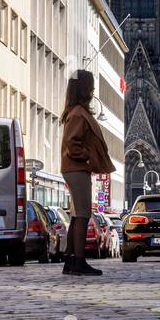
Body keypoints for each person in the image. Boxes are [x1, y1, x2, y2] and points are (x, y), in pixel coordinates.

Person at [60, 71, 116, 277]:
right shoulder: (77, 113)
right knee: (83, 214)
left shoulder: (76, 112)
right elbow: (71, 144)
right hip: (77, 168)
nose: (93, 91)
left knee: (77, 215)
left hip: (75, 168)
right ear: (84, 89)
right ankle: (79, 262)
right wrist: (88, 157)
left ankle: (70, 261)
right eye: (91, 87)